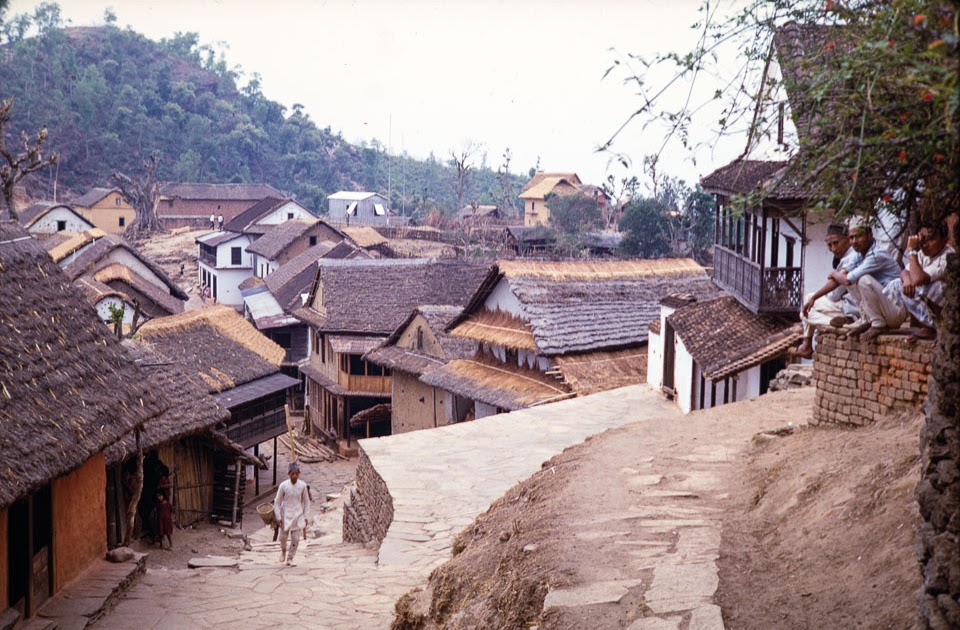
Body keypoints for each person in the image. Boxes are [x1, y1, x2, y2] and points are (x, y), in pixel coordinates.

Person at [854, 221, 955, 341]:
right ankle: (928, 327)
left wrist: (912, 250)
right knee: (899, 283)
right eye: (922, 239)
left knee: (933, 287)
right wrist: (907, 280)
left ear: (945, 240)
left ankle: (939, 328)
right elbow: (904, 272)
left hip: (950, 312)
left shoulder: (948, 257)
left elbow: (919, 279)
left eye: (931, 239)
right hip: (904, 308)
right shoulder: (923, 253)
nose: (925, 244)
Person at [793, 225, 859, 358]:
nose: (833, 249)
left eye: (836, 243)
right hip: (852, 306)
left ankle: (807, 343)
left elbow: (835, 295)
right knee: (809, 306)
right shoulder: (852, 256)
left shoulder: (849, 258)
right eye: (829, 245)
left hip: (852, 306)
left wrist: (833, 276)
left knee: (806, 311)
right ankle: (839, 322)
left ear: (847, 240)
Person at [829, 223, 902, 334]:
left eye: (858, 236)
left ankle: (877, 324)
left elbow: (846, 279)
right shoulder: (858, 255)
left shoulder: (876, 254)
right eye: (851, 237)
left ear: (869, 235)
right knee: (851, 280)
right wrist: (814, 298)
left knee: (863, 279)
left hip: (895, 312)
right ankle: (866, 320)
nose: (854, 241)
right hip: (883, 310)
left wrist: (834, 274)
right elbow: (843, 277)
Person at [273, 461, 310, 566]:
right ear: (289, 474)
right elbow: (277, 502)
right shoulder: (283, 486)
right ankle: (283, 550)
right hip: (285, 514)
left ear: (298, 474)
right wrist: (278, 517)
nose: (294, 476)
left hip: (297, 514)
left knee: (296, 538)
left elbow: (306, 501)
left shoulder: (302, 486)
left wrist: (306, 516)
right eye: (292, 474)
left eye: (296, 474)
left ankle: (290, 557)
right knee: (283, 537)